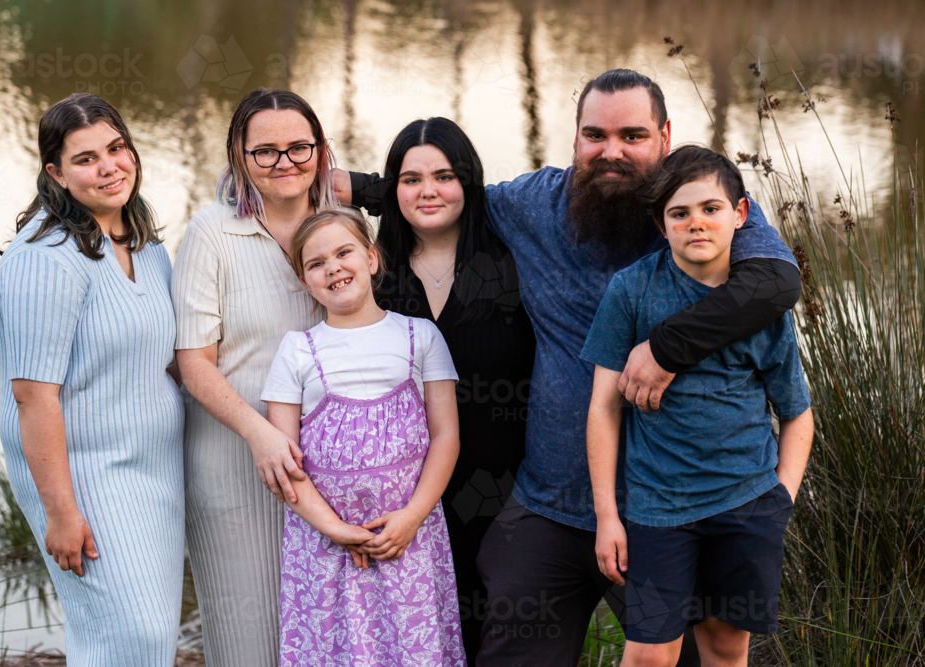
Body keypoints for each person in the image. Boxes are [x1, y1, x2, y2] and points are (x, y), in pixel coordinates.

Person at [337, 69, 803, 665]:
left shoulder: (700, 210)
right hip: (551, 505)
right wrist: (331, 182)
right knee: (508, 640)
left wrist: (666, 347)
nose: (611, 151)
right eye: (595, 135)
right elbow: (448, 192)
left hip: (670, 512)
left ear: (665, 135)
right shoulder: (532, 206)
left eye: (632, 135)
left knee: (684, 655)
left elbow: (777, 278)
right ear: (575, 138)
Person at [584, 145, 814, 667]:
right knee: (649, 655)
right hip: (658, 511)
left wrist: (782, 499)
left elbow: (797, 411)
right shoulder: (632, 290)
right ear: (660, 223)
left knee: (727, 647)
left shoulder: (762, 304)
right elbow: (604, 408)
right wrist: (607, 515)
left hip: (748, 505)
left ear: (740, 213)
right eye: (679, 213)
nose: (697, 224)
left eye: (711, 209)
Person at [0, 93, 184, 665]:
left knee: (143, 638)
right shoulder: (43, 258)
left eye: (117, 148)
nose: (109, 167)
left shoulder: (146, 247)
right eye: (86, 159)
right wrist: (60, 512)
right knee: (130, 637)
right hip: (84, 477)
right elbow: (32, 398)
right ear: (55, 173)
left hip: (154, 472)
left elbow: (166, 360)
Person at [171, 88, 336, 666]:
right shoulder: (211, 233)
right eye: (265, 151)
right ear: (239, 157)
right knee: (250, 643)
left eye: (298, 147)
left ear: (320, 149)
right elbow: (194, 363)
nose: (284, 162)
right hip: (236, 464)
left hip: (329, 468)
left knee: (325, 638)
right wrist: (260, 433)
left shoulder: (342, 229)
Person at [262, 207, 466, 666]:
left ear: (372, 259)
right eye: (316, 263)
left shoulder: (420, 337)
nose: (332, 267)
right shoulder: (297, 351)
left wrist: (413, 516)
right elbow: (284, 462)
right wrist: (336, 530)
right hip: (324, 546)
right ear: (303, 280)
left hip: (409, 538)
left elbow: (446, 436)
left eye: (344, 252)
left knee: (415, 650)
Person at [373, 117, 536, 664]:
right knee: (425, 641)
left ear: (469, 182)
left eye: (444, 176)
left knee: (501, 638)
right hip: (408, 497)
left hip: (508, 489)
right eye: (410, 178)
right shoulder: (374, 277)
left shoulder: (513, 265)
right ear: (392, 189)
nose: (427, 192)